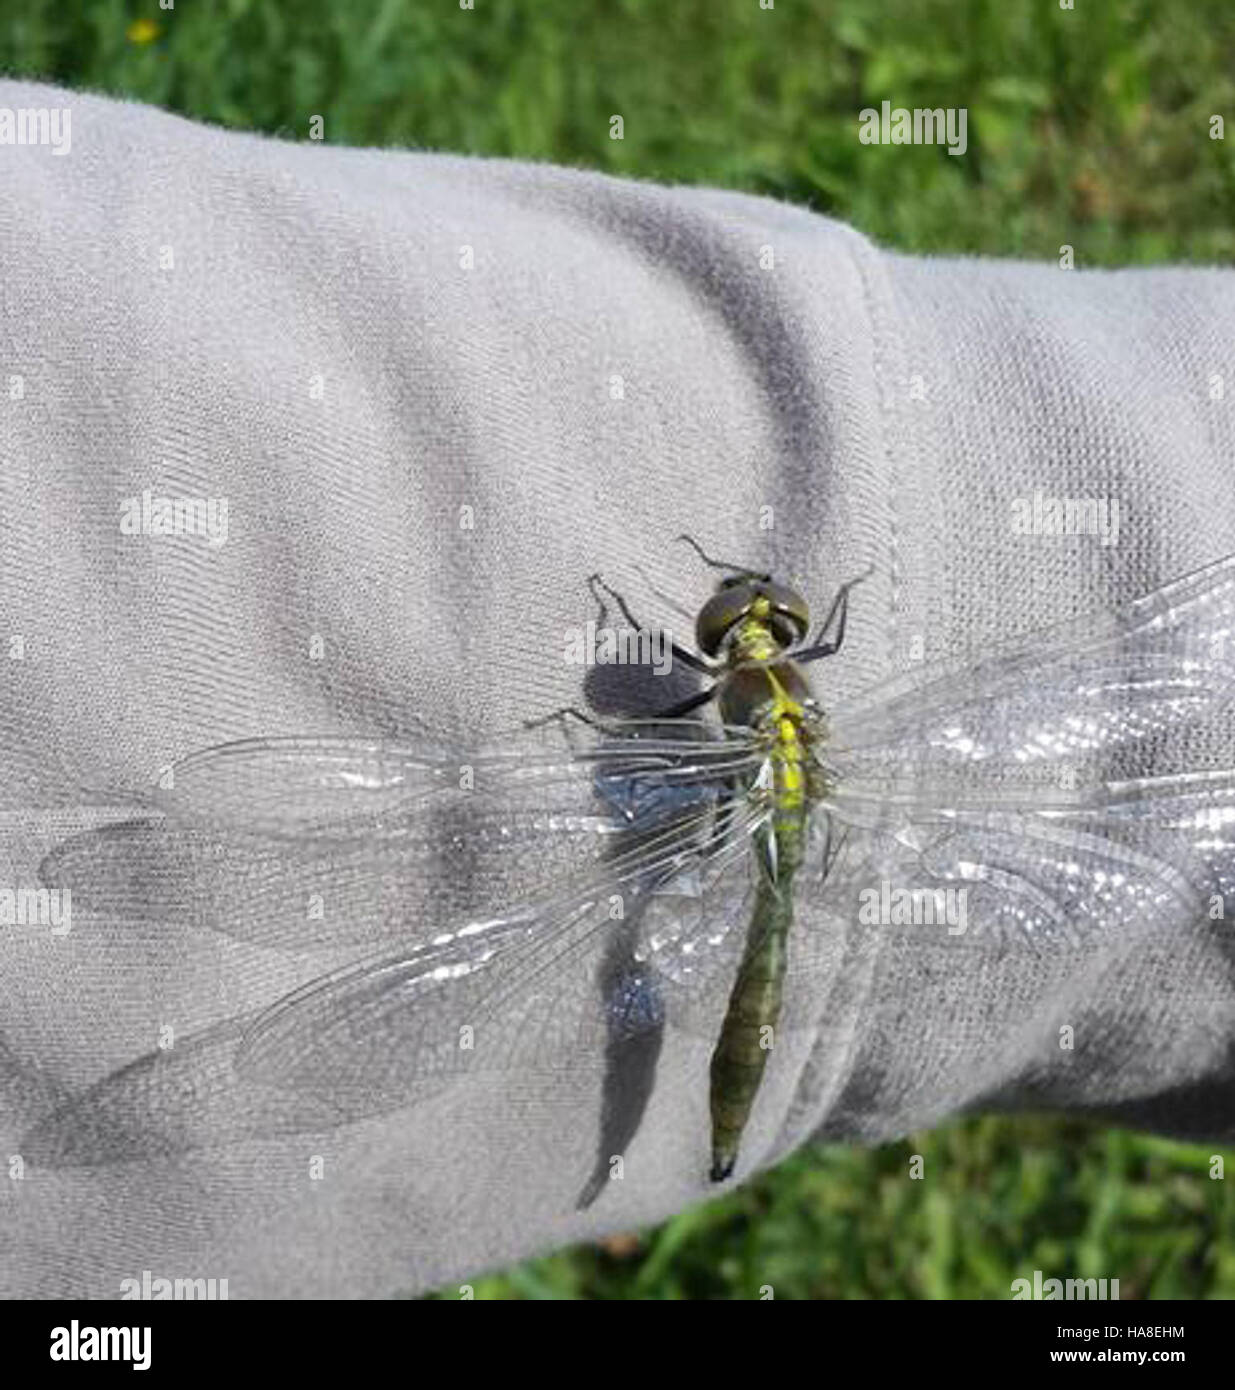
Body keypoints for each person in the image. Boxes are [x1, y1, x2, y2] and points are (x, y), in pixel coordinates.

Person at [2, 77, 1233, 1299]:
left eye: (753, 626)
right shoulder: (798, 706)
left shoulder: (705, 707)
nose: (753, 628)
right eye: (757, 626)